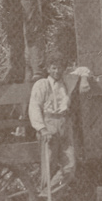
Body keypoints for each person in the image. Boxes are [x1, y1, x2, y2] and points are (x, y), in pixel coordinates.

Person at [28, 53, 78, 191]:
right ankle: (42, 199)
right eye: (54, 68)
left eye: (60, 68)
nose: (57, 71)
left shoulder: (67, 82)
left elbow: (83, 70)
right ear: (48, 69)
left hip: (64, 124)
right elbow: (34, 107)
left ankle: (47, 195)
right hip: (48, 124)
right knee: (48, 166)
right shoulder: (42, 84)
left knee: (69, 166)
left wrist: (84, 80)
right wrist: (42, 129)